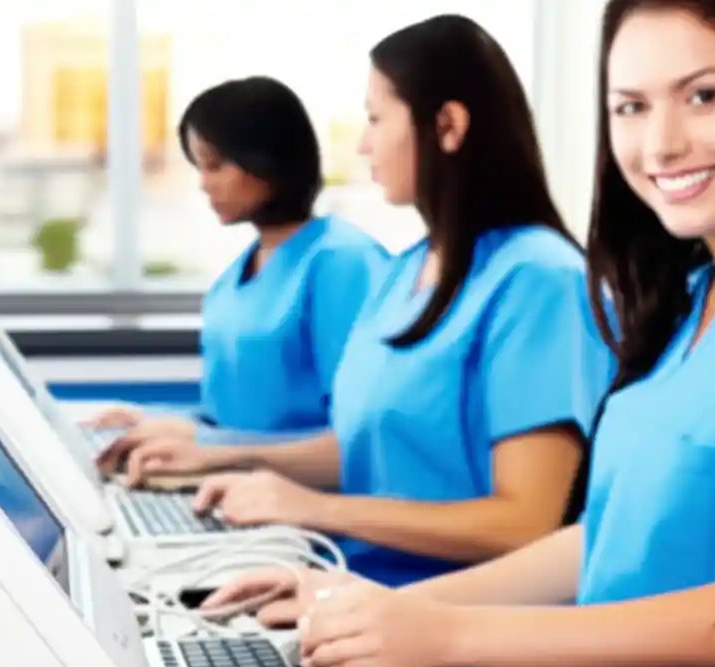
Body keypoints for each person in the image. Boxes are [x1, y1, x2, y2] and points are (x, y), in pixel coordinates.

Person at [201, 2, 715, 667]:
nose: (661, 143)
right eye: (631, 107)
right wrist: (369, 602)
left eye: (704, 96)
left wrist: (450, 632)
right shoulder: (686, 296)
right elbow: (608, 543)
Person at [119, 15, 614, 587]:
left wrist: (315, 509)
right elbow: (364, 451)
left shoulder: (538, 281)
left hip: (461, 622)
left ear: (448, 125)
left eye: (376, 118)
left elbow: (525, 522)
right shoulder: (407, 272)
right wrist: (226, 457)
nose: (362, 143)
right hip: (355, 582)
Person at [92, 76, 388, 461]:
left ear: (266, 159)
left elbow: (363, 438)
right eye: (199, 167)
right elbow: (233, 423)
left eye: (214, 165)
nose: (203, 184)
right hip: (236, 483)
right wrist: (152, 422)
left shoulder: (343, 262)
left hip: (305, 501)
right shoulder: (233, 280)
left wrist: (201, 443)